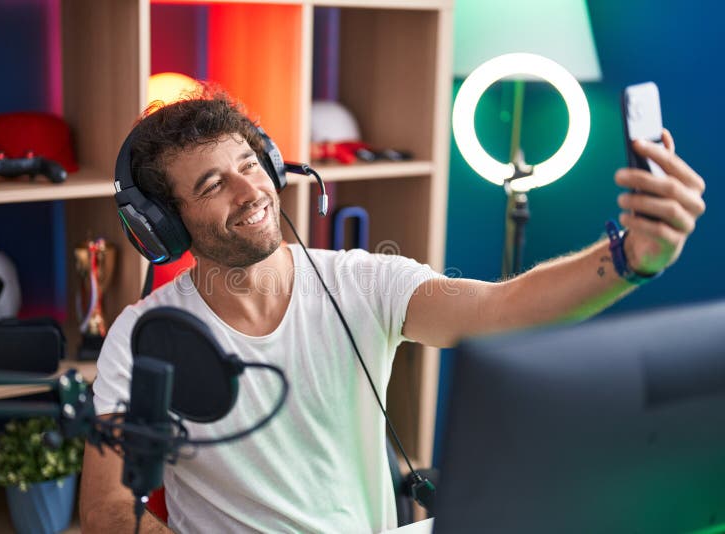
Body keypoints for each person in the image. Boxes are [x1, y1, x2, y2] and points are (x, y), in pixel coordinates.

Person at [79, 90, 706, 533]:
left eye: (251, 165)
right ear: (163, 224)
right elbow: (108, 507)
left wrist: (630, 258)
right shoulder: (144, 335)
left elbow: (501, 308)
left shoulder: (363, 281)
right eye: (213, 185)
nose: (250, 193)